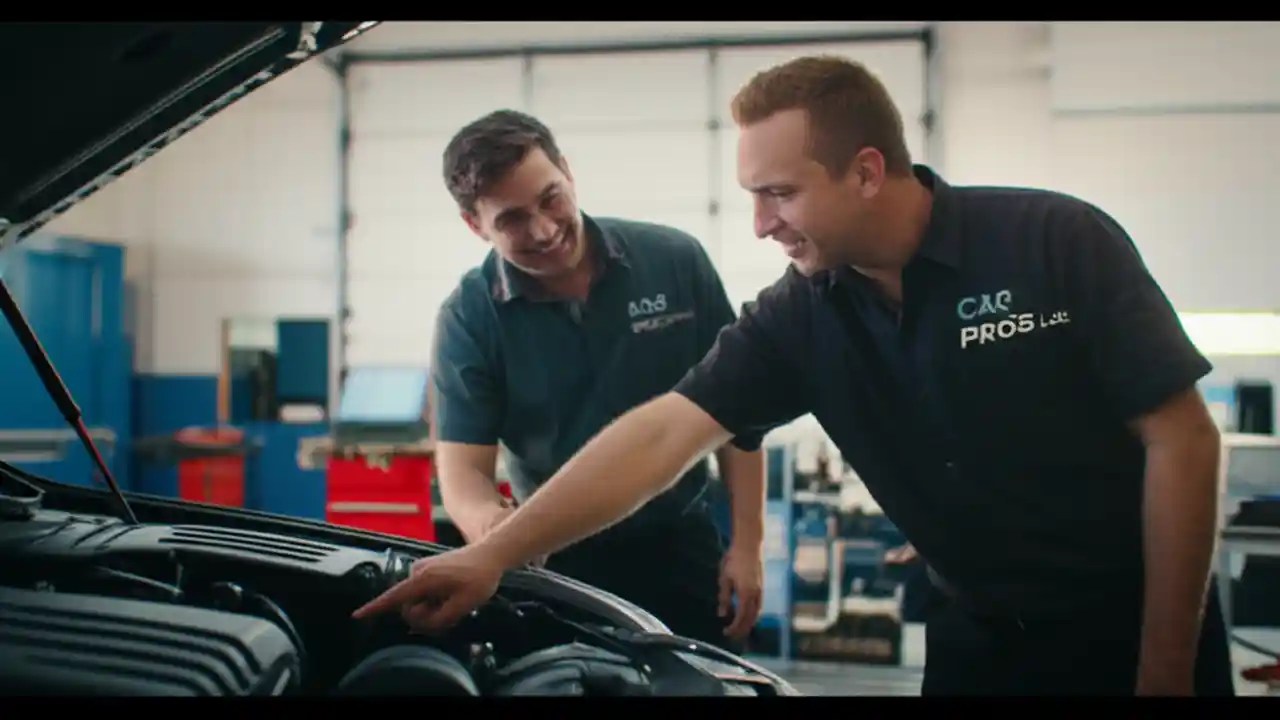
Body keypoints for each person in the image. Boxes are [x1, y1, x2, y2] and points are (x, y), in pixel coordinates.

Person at [357, 58, 1234, 696]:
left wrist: (1161, 669)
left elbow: (1184, 439)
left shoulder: (1055, 242)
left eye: (778, 194)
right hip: (973, 640)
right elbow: (668, 430)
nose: (759, 224)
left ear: (864, 172)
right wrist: (494, 553)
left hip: (1137, 629)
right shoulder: (801, 313)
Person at [421, 109, 767, 651]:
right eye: (511, 219)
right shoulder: (469, 317)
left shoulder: (675, 262)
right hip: (557, 556)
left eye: (550, 197)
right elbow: (462, 470)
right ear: (475, 225)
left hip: (682, 544)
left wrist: (748, 543)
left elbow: (741, 418)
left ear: (567, 171)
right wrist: (490, 527)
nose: (543, 229)